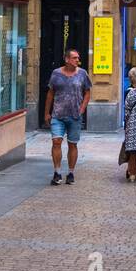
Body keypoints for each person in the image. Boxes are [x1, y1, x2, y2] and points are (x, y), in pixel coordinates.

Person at [44, 49, 92, 185]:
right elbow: (50, 93)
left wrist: (82, 109)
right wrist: (46, 113)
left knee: (72, 144)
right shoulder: (56, 74)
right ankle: (57, 172)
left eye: (78, 58)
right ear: (67, 59)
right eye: (74, 58)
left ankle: (70, 173)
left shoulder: (82, 74)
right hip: (58, 114)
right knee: (56, 142)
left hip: (75, 116)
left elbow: (87, 92)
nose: (77, 60)